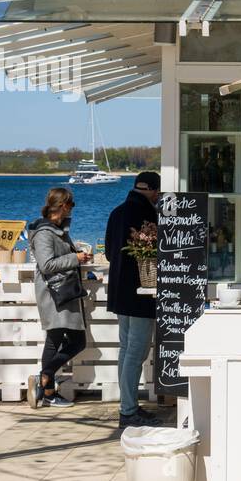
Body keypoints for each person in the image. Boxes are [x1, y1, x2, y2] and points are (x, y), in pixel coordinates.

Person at [105, 171, 160, 427]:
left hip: (118, 291)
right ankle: (128, 411)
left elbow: (107, 252)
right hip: (140, 292)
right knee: (135, 352)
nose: (159, 197)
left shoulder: (116, 212)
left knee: (126, 350)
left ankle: (128, 405)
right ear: (152, 190)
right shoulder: (147, 214)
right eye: (157, 192)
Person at [28, 187, 91, 409]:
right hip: (54, 293)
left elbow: (59, 258)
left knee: (57, 340)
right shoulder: (45, 232)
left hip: (63, 291)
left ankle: (47, 388)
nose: (72, 209)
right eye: (71, 205)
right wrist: (75, 258)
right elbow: (47, 265)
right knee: (71, 341)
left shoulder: (56, 229)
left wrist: (78, 256)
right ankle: (47, 382)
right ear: (63, 205)